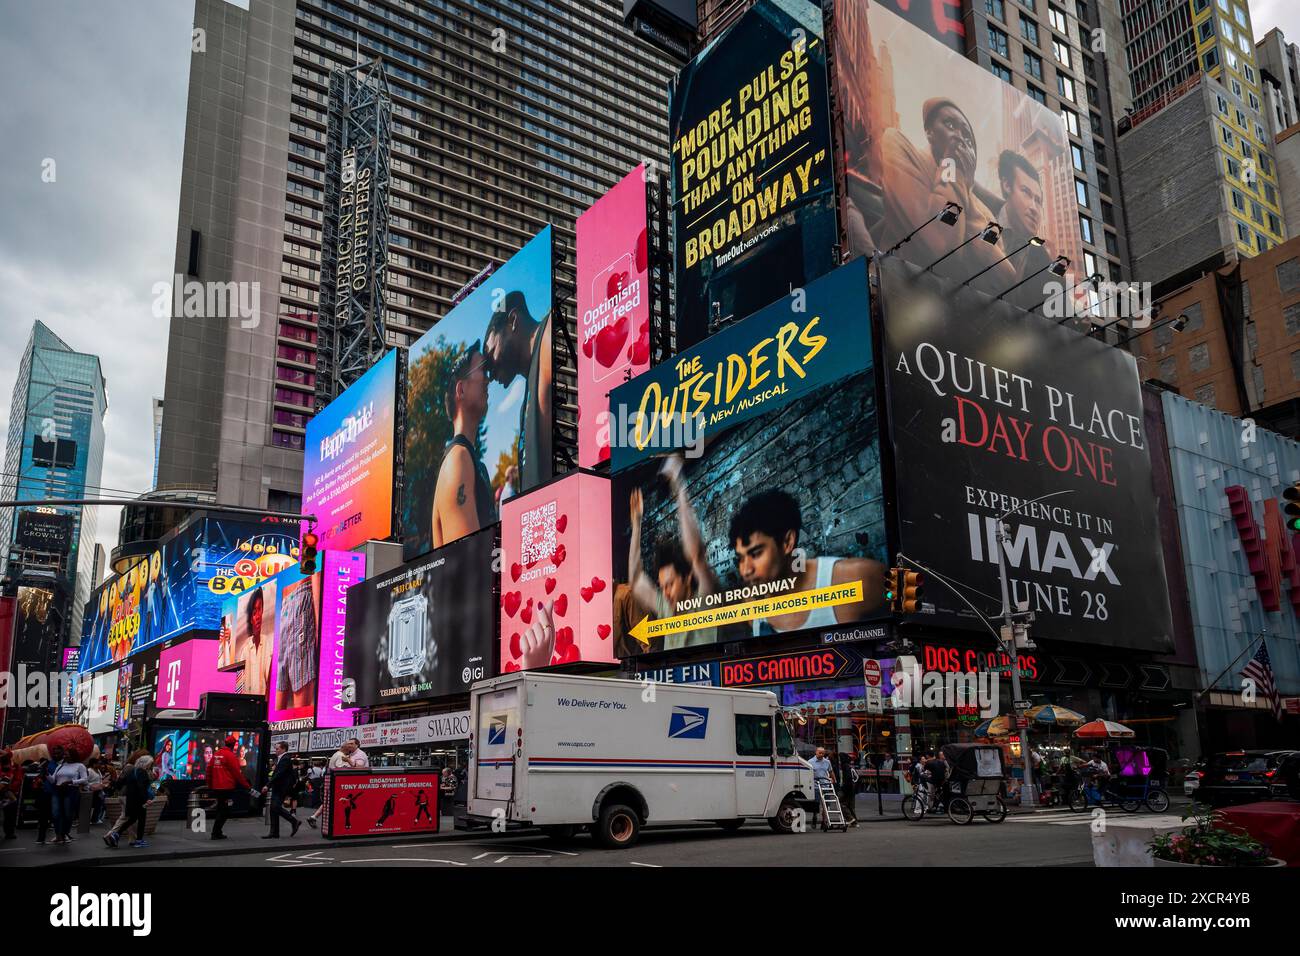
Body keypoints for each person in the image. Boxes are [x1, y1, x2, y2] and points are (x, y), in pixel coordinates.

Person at [848, 98, 1015, 291]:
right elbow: (940, 243)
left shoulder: (984, 212)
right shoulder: (901, 147)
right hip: (900, 295)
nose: (960, 137)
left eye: (967, 137)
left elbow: (1004, 278)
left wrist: (967, 201)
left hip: (961, 310)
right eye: (950, 124)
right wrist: (953, 168)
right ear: (929, 131)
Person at [728, 489, 886, 634]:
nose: (745, 570)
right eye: (740, 558)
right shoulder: (751, 608)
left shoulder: (857, 579)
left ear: (787, 542)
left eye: (755, 554)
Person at [627, 454, 720, 651]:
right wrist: (636, 525)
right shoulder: (667, 608)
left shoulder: (704, 600)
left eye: (670, 584)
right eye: (663, 586)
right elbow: (635, 580)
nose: (666, 592)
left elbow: (696, 556)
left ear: (687, 578)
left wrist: (679, 488)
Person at [483, 288, 553, 489]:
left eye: (490, 355)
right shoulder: (529, 387)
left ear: (513, 320)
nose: (490, 373)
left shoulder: (549, 334)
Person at [432, 342, 496, 547]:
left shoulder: (465, 458)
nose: (487, 379)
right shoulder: (458, 460)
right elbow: (467, 565)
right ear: (461, 389)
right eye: (482, 370)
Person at [995, 150, 1053, 285]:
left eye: (1038, 201)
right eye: (1026, 192)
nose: (1034, 208)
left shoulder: (1045, 263)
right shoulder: (977, 214)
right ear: (1007, 186)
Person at [276, 574, 321, 711]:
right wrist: (320, 630)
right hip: (299, 598)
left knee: (282, 680)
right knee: (301, 709)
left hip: (285, 605)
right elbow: (316, 576)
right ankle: (300, 732)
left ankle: (275, 731)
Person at [104, 755, 156, 849]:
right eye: (150, 764)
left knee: (132, 819)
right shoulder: (142, 772)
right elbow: (142, 787)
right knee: (141, 819)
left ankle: (116, 834)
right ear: (146, 763)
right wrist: (146, 799)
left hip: (131, 799)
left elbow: (121, 782)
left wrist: (112, 785)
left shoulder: (132, 771)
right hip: (140, 800)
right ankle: (138, 840)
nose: (150, 766)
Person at [206, 734, 252, 840]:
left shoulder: (217, 754)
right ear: (233, 745)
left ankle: (217, 832)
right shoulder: (231, 756)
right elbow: (237, 774)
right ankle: (215, 832)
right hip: (227, 788)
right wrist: (247, 786)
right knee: (225, 811)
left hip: (216, 788)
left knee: (220, 809)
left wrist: (210, 785)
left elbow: (209, 770)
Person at [262, 742, 301, 839]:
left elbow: (279, 774)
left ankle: (294, 821)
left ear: (283, 749)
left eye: (277, 749)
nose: (276, 750)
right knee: (273, 809)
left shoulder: (285, 759)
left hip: (281, 788)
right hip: (278, 787)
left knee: (275, 807)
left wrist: (268, 785)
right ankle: (274, 833)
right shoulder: (280, 759)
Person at [50, 748, 87, 845]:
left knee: (67, 814)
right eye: (64, 754)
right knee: (55, 813)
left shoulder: (80, 766)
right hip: (58, 791)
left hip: (71, 791)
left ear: (73, 755)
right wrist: (45, 773)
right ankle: (58, 834)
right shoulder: (60, 766)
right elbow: (53, 780)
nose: (65, 756)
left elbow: (85, 780)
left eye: (67, 754)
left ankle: (64, 833)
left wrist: (71, 782)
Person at [241, 585, 274, 696]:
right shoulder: (245, 648)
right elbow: (240, 683)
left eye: (260, 610)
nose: (258, 616)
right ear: (251, 619)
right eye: (255, 612)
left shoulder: (268, 642)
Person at [0, 751, 20, 840]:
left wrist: (11, 788)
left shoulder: (15, 766)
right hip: (5, 792)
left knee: (10, 814)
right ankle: (9, 832)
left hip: (9, 793)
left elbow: (18, 779)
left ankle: (9, 832)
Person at [836, 750, 859, 827]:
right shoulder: (848, 766)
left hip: (846, 789)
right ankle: (854, 822)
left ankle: (850, 819)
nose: (839, 760)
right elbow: (856, 778)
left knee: (841, 803)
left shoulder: (845, 766)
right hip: (851, 788)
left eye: (840, 758)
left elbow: (848, 779)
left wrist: (844, 789)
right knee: (850, 806)